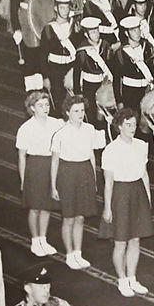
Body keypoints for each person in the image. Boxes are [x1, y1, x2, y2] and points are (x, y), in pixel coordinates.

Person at [100, 107, 154, 297]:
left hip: (137, 192)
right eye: (128, 125)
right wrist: (107, 208)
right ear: (119, 126)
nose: (132, 128)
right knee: (120, 242)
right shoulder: (111, 150)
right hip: (120, 194)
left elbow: (145, 176)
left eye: (134, 124)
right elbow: (108, 183)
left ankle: (132, 277)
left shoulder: (141, 145)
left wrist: (147, 199)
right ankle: (122, 280)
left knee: (135, 239)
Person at [50, 95, 103, 270]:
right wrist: (53, 185)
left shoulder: (89, 129)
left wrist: (94, 179)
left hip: (85, 172)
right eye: (76, 111)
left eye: (82, 110)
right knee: (69, 218)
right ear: (67, 113)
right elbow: (55, 161)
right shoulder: (61, 134)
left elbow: (91, 156)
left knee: (80, 217)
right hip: (67, 174)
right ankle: (70, 254)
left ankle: (78, 253)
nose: (80, 114)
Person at [15, 90, 63, 257]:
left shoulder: (56, 124)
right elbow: (21, 156)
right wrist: (23, 179)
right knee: (35, 206)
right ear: (32, 108)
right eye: (40, 105)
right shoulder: (26, 128)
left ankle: (43, 238)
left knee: (47, 205)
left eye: (47, 104)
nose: (45, 108)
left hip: (51, 165)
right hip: (35, 166)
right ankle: (35, 240)